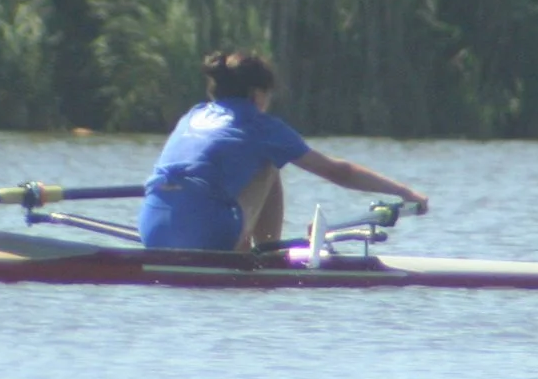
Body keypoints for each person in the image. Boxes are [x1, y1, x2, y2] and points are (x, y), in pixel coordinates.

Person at [139, 50, 429, 252]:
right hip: (208, 234)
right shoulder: (260, 125)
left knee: (208, 185)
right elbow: (337, 171)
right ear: (256, 94)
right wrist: (405, 192)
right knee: (269, 163)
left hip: (152, 230)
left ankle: (249, 247)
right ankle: (268, 254)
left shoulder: (193, 114)